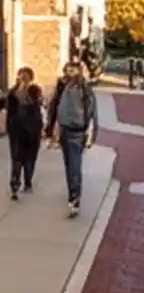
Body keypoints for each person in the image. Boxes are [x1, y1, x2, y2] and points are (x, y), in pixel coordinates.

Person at [45, 61, 98, 217]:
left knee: (74, 165)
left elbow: (92, 111)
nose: (70, 73)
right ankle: (72, 194)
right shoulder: (61, 86)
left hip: (78, 131)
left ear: (79, 71)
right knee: (69, 165)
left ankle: (75, 198)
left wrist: (91, 134)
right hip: (64, 130)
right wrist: (49, 130)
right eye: (68, 70)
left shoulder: (84, 88)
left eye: (73, 70)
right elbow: (53, 108)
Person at [5, 68, 44, 200]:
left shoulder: (34, 90)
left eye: (25, 77)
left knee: (28, 158)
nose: (23, 79)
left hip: (31, 130)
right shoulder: (13, 91)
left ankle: (26, 181)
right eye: (21, 76)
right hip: (17, 130)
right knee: (17, 158)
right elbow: (8, 106)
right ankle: (15, 185)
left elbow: (37, 103)